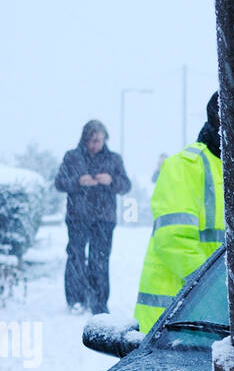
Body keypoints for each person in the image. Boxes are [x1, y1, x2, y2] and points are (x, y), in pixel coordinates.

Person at [134, 93, 224, 333]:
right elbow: (175, 243)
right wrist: (218, 291)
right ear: (220, 121)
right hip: (170, 325)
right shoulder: (184, 166)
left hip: (211, 321)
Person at [54, 120, 131, 314]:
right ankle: (76, 300)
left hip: (104, 219)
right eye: (91, 140)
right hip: (77, 217)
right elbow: (59, 183)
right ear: (84, 138)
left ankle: (98, 302)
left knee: (100, 259)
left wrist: (111, 181)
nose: (94, 144)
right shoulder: (72, 157)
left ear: (105, 139)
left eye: (98, 140)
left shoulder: (114, 159)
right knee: (76, 257)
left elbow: (126, 186)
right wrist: (78, 181)